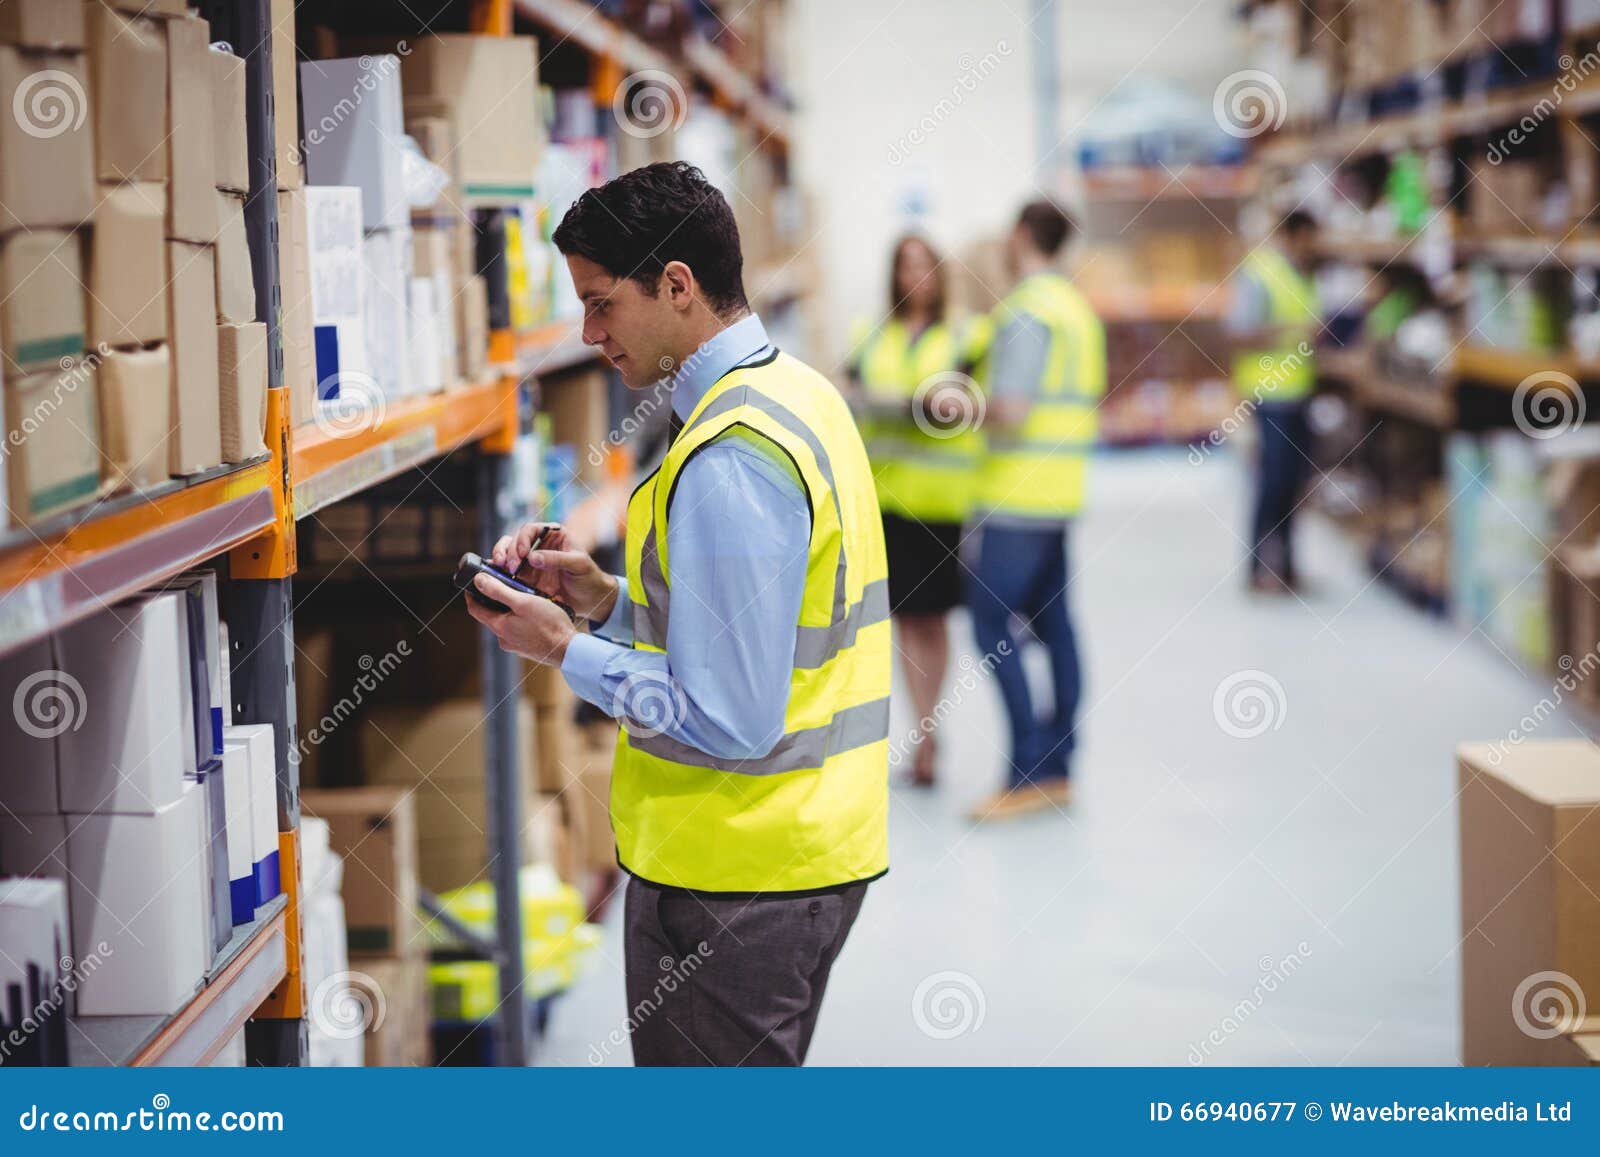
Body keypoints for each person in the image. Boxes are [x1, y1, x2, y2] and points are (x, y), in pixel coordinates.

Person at [465, 162, 890, 1067]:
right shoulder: (796, 394)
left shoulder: (730, 455)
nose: (589, 333)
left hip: (737, 877)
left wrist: (563, 650)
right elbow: (753, 627)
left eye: (601, 303)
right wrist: (606, 601)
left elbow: (731, 714)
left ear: (678, 286)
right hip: (794, 852)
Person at [966, 200, 1104, 822]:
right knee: (1058, 627)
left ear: (1020, 235)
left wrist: (956, 406)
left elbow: (1013, 409)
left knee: (990, 626)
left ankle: (1027, 769)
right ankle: (1060, 764)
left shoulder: (1026, 311)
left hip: (1017, 494)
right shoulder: (1075, 309)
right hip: (1062, 490)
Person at [844, 235, 990, 787]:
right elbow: (845, 387)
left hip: (939, 500)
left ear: (939, 272)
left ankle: (931, 727)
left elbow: (963, 403)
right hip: (887, 500)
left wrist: (910, 403)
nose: (915, 275)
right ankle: (923, 733)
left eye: (925, 264)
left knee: (935, 617)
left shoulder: (968, 332)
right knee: (906, 618)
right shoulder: (871, 334)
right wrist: (904, 401)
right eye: (905, 265)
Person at [1228, 210, 1320, 594]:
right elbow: (1239, 332)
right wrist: (1294, 332)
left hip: (1298, 394)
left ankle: (1286, 568)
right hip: (1269, 396)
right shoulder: (1261, 273)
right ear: (1294, 235)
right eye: (1309, 239)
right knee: (1272, 484)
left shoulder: (1302, 275)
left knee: (1292, 484)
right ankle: (1257, 570)